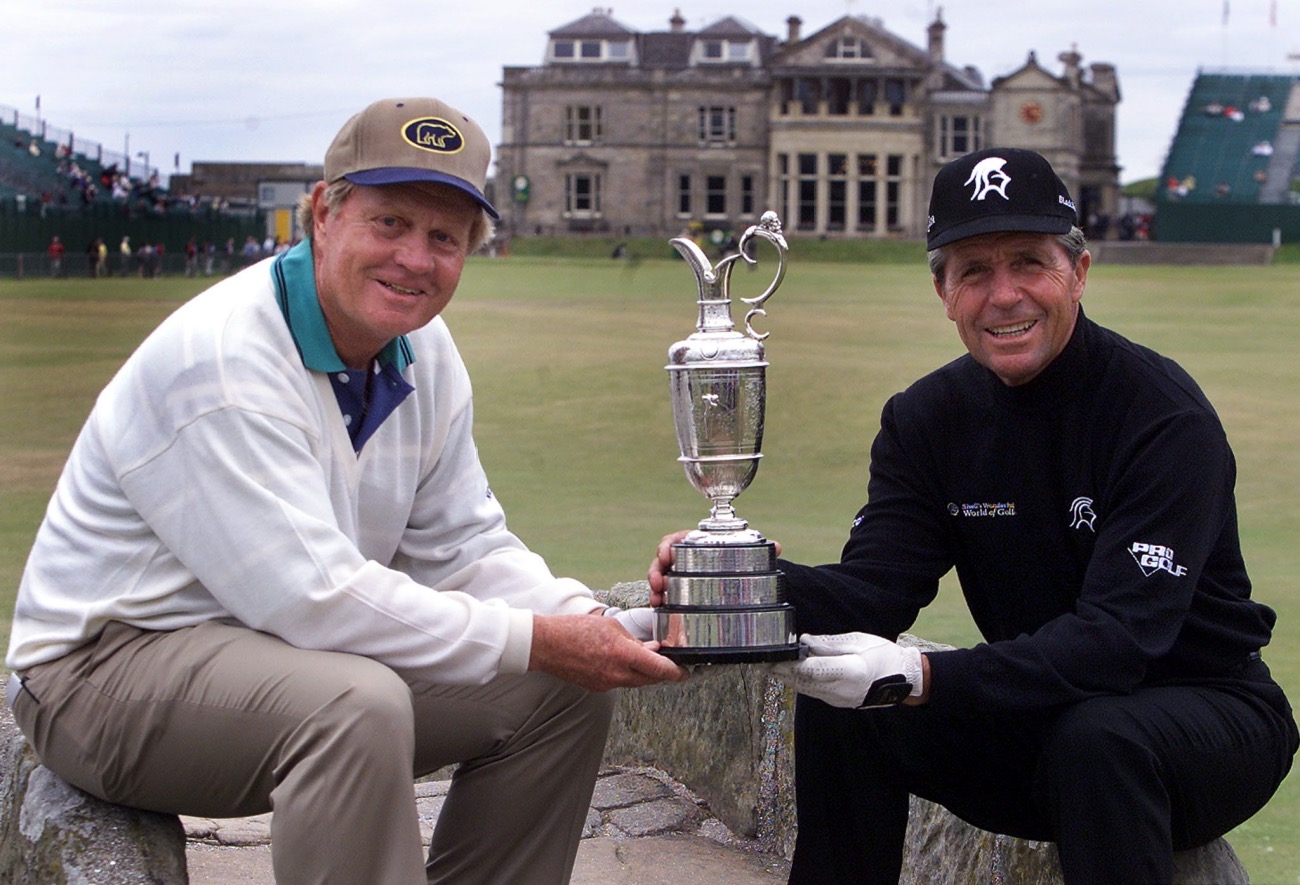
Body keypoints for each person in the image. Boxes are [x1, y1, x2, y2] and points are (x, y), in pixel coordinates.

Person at [7, 96, 685, 885]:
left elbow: (463, 544)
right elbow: (312, 597)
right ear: (323, 213)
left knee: (559, 690)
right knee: (356, 706)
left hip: (270, 654)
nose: (415, 259)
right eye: (390, 222)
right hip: (102, 672)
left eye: (444, 237)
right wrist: (541, 636)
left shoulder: (419, 347)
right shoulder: (225, 359)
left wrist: (584, 623)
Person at [650, 147, 1298, 884]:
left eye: (1029, 262)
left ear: (1078, 272)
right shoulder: (926, 418)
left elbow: (1118, 643)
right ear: (942, 290)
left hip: (1206, 719)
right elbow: (874, 592)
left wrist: (921, 674)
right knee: (842, 695)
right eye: (975, 271)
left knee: (1102, 736)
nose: (1005, 295)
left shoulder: (1159, 414)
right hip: (1045, 717)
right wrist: (729, 577)